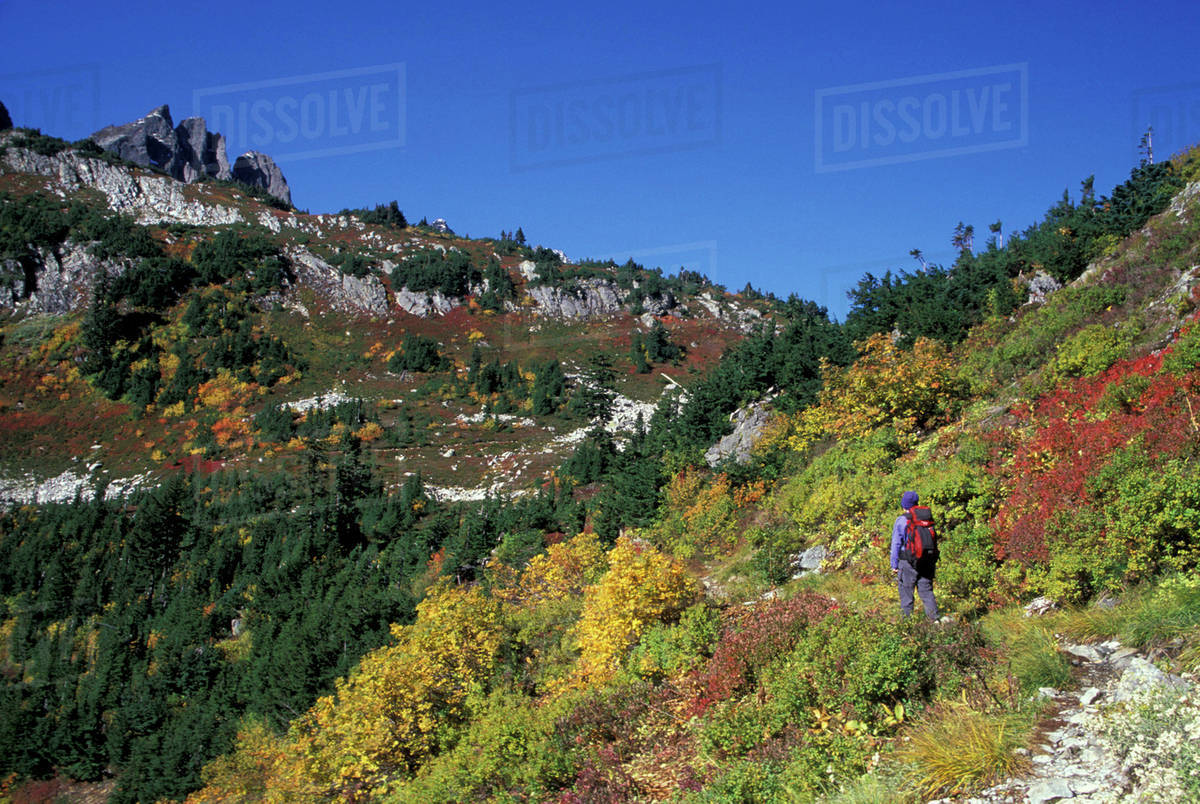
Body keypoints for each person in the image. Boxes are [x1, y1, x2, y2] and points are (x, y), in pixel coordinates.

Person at [890, 491, 939, 620]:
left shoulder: (902, 520)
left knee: (907, 595)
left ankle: (908, 625)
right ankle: (935, 622)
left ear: (904, 505)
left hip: (907, 562)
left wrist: (894, 565)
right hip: (926, 561)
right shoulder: (926, 518)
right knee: (927, 592)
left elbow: (896, 544)